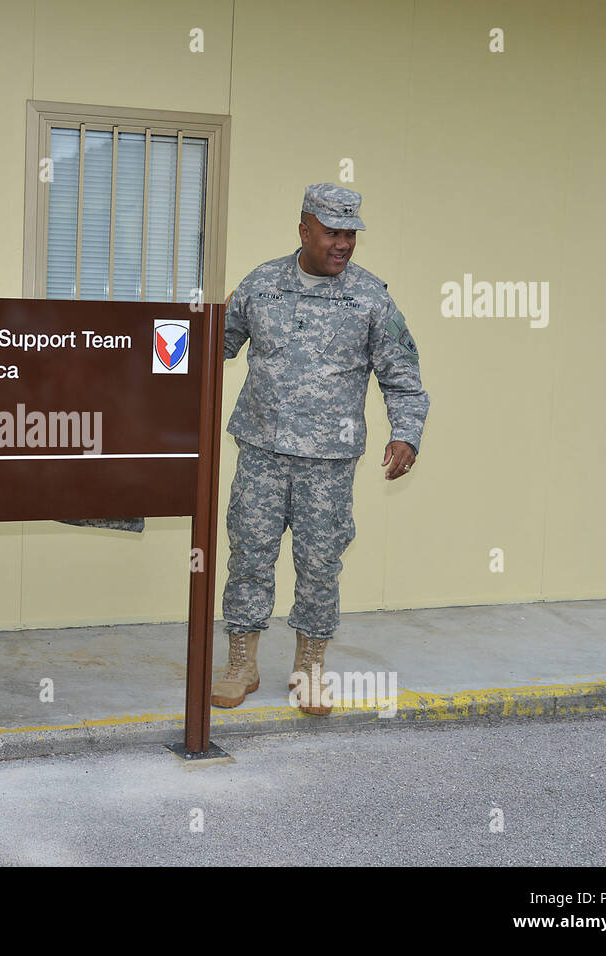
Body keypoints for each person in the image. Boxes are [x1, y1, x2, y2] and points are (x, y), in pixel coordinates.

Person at [213, 183, 429, 715]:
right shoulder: (261, 284)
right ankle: (242, 663)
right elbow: (212, 347)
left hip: (329, 463)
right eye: (333, 232)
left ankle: (309, 669)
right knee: (250, 554)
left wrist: (406, 433)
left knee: (319, 563)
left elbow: (401, 375)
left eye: (351, 233)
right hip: (261, 451)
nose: (344, 244)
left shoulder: (370, 297)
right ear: (305, 229)